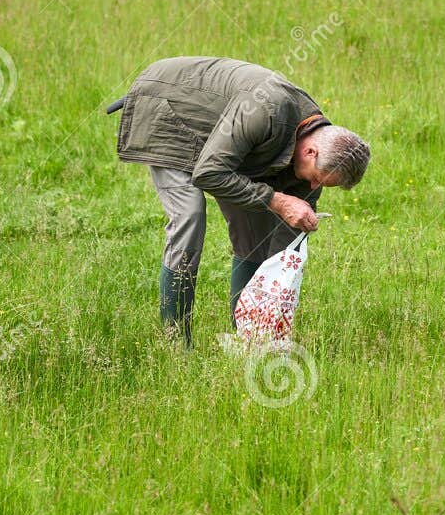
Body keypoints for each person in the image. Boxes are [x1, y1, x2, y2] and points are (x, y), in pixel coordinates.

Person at [107, 57, 370, 346]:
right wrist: (277, 200)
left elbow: (285, 242)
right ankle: (175, 342)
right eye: (318, 179)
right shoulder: (266, 111)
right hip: (167, 109)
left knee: (255, 231)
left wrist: (280, 281)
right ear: (310, 152)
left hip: (222, 141)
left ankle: (249, 336)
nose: (314, 186)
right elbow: (210, 173)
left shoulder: (313, 140)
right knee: (190, 216)